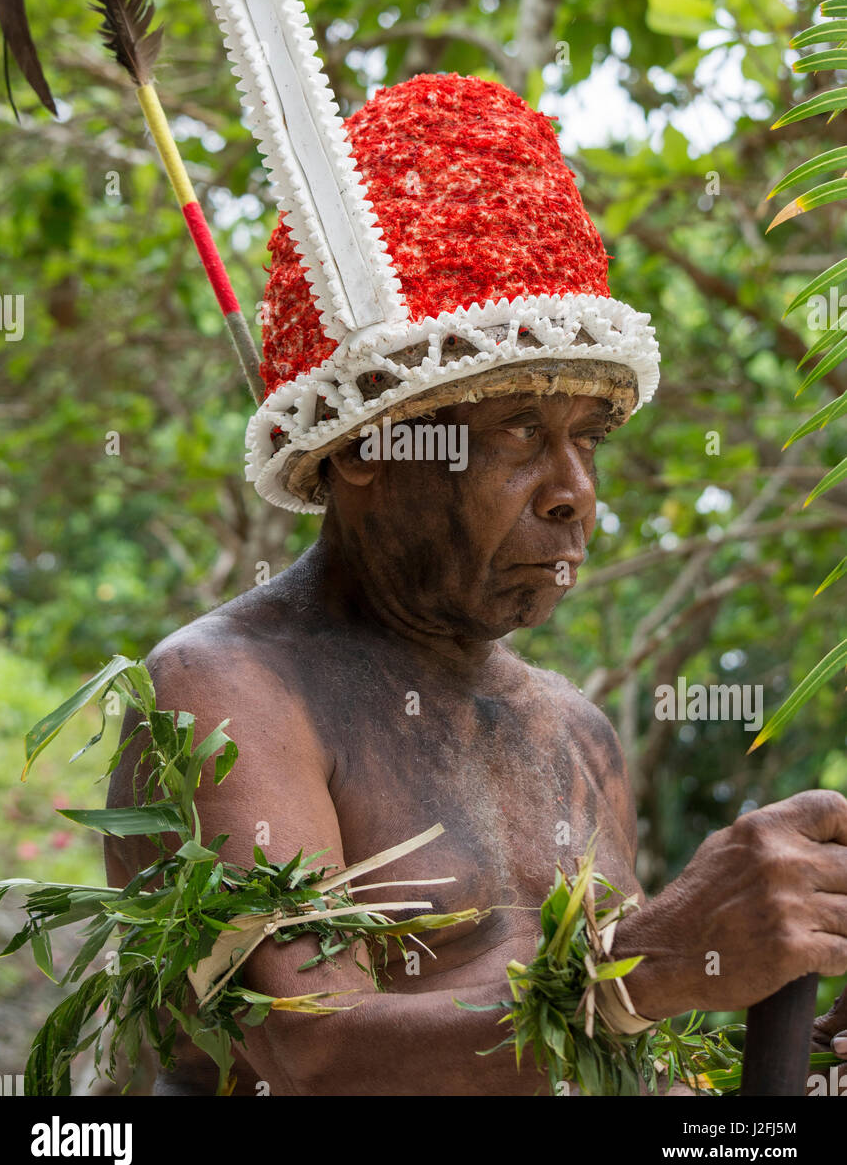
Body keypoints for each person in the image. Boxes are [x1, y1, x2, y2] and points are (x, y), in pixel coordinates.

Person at [105, 53, 847, 1095]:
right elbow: (305, 1053)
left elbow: (594, 1048)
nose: (572, 492)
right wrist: (662, 962)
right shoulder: (226, 696)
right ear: (367, 446)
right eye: (514, 432)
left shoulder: (573, 734)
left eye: (588, 438)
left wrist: (776, 1009)